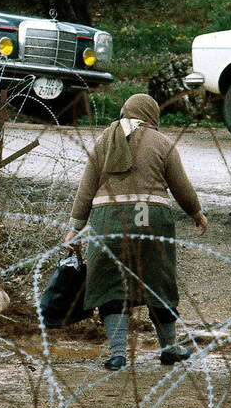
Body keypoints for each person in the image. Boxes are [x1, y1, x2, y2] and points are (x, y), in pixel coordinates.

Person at [65, 94, 207, 371]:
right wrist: (196, 214)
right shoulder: (162, 143)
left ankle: (118, 353)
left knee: (109, 284)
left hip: (109, 221)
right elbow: (182, 187)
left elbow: (85, 189)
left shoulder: (103, 141)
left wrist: (74, 228)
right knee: (158, 282)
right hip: (150, 219)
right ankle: (169, 349)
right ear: (151, 114)